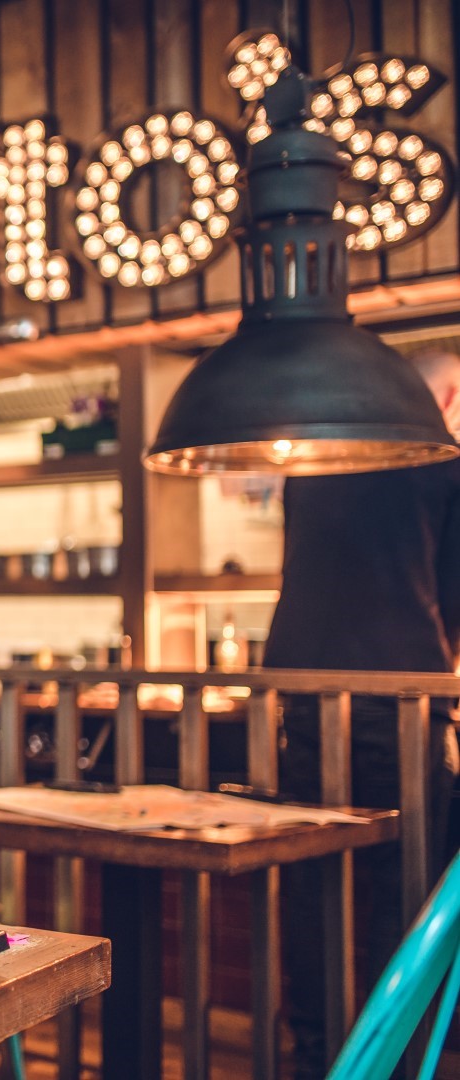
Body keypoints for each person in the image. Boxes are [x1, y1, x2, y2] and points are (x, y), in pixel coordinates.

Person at [264, 348, 460, 1079]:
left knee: (311, 882)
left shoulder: (314, 461)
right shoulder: (441, 461)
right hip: (400, 696)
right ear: (443, 398)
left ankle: (315, 1055)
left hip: (302, 696)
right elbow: (453, 597)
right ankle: (392, 1060)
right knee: (400, 886)